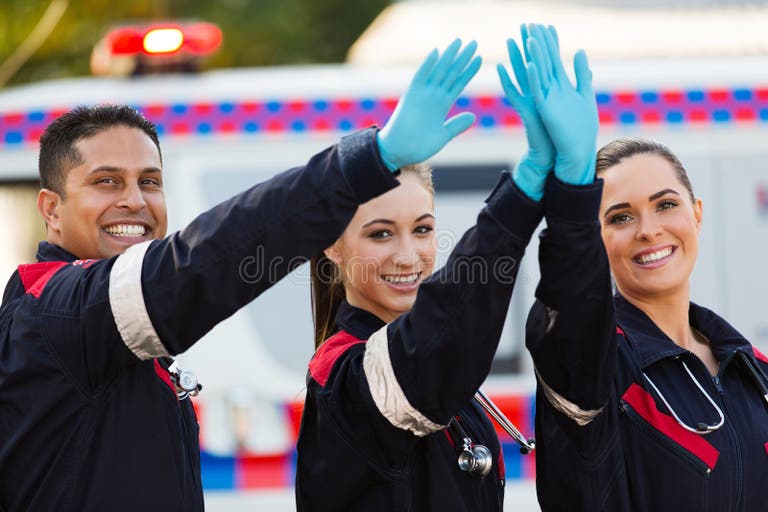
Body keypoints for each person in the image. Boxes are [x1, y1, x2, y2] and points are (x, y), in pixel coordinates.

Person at [0, 39, 481, 511]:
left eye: (150, 181)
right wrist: (365, 162)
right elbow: (208, 259)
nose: (134, 200)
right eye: (107, 181)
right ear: (52, 209)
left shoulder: (90, 326)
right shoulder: (59, 311)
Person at [294, 26, 565, 512]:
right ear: (332, 246)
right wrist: (523, 192)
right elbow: (441, 332)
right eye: (380, 234)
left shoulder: (415, 357)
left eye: (422, 229)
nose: (408, 256)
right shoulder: (344, 374)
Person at [520, 25, 768, 512]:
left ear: (697, 213)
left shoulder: (752, 370)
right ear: (594, 238)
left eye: (665, 205)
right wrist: (570, 186)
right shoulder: (595, 361)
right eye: (620, 217)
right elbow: (564, 313)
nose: (649, 230)